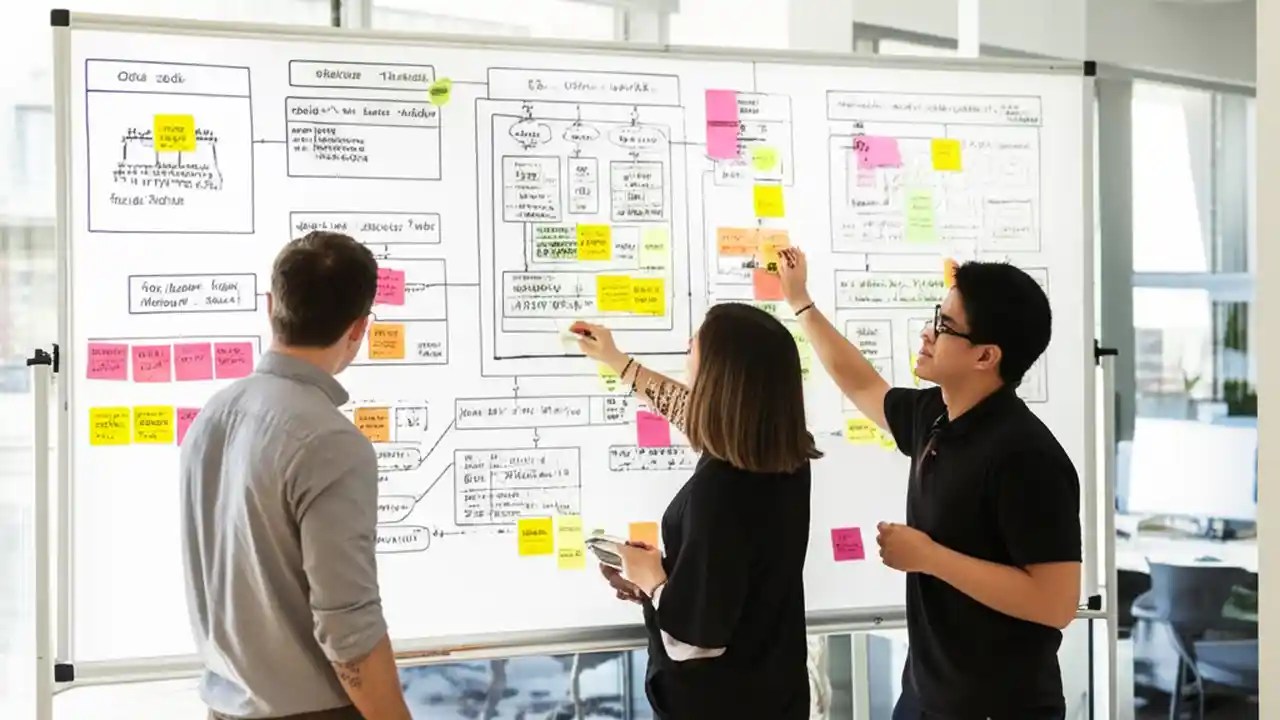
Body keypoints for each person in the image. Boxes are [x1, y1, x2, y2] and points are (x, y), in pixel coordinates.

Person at [776, 248, 1081, 719]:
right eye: (935, 318)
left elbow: (1055, 601)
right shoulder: (935, 416)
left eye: (944, 325)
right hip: (926, 694)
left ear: (985, 356)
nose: (927, 332)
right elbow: (862, 385)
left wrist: (930, 557)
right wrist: (802, 304)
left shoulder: (1026, 457)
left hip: (999, 706)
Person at [180, 231, 412, 720]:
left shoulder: (214, 414)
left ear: (271, 307)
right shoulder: (332, 443)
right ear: (359, 328)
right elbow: (349, 630)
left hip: (224, 708)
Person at [570, 302, 820, 719]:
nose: (686, 351)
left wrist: (652, 580)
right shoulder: (784, 453)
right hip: (774, 694)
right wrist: (617, 360)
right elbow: (733, 579)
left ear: (721, 378)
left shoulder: (721, 492)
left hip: (720, 703)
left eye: (694, 346)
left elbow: (694, 643)